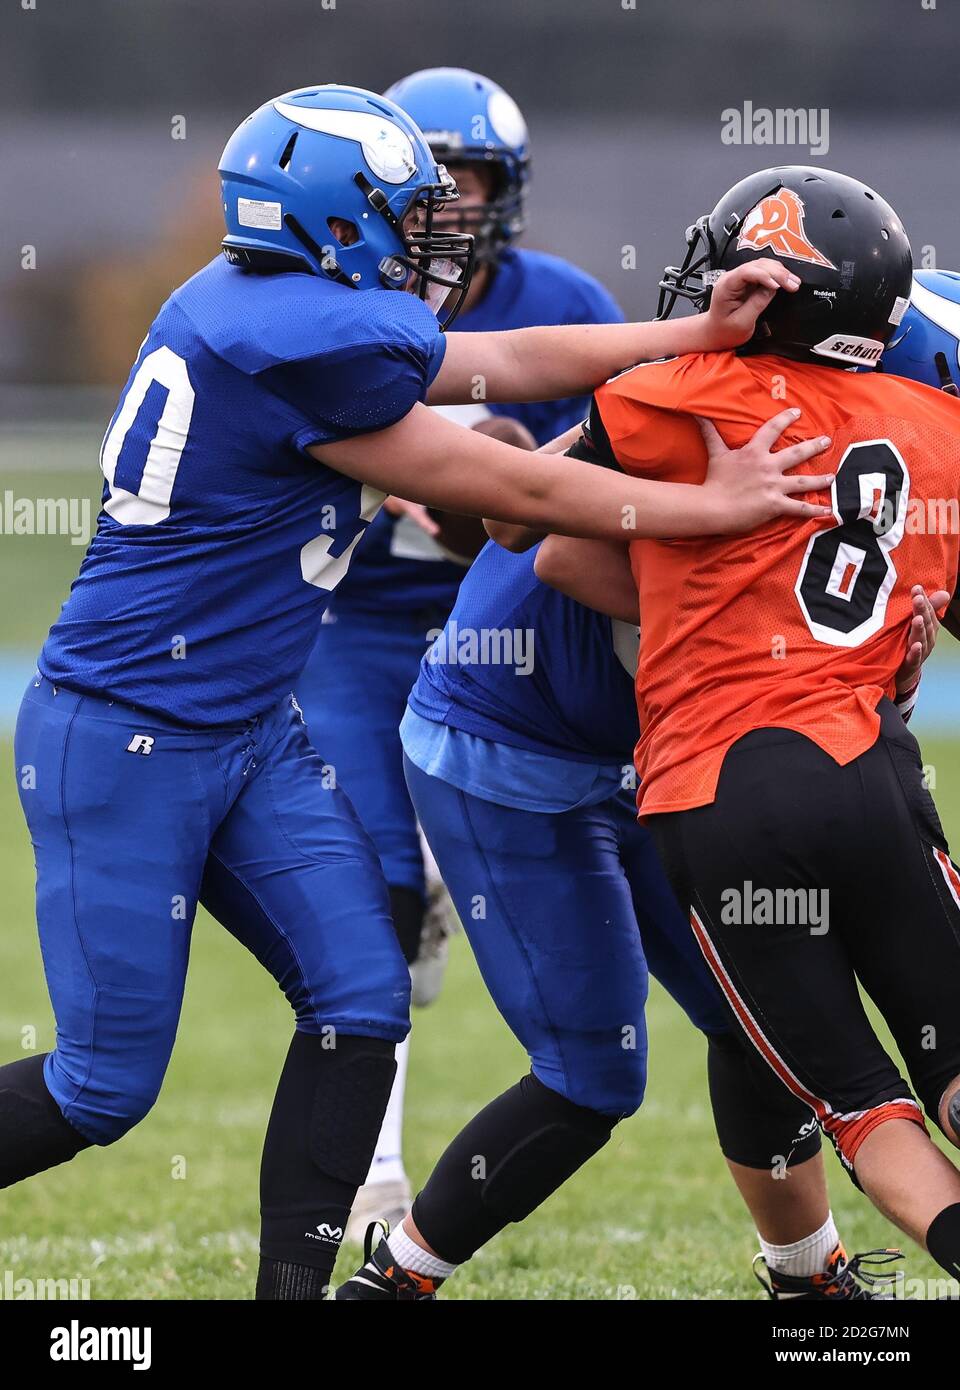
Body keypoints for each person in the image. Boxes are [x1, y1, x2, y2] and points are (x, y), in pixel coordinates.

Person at [1, 90, 828, 1302]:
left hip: (250, 726)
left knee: (358, 999)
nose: (428, 243)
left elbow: (503, 360)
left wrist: (693, 334)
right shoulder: (290, 340)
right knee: (102, 1087)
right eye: (404, 216)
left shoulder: (275, 305)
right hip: (125, 735)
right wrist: (719, 504)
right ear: (332, 220)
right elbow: (508, 486)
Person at [335, 414, 939, 1301]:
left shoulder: (882, 451)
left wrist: (870, 668)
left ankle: (808, 1280)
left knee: (760, 1019)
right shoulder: (688, 406)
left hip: (654, 753)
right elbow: (552, 550)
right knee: (593, 1077)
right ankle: (391, 1283)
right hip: (511, 748)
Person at [535, 167, 960, 1280]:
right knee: (950, 1052)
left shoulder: (683, 393)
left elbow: (519, 522)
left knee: (861, 1103)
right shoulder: (939, 431)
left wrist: (699, 552)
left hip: (714, 796)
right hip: (867, 769)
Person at [294, 67, 623, 1238]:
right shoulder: (329, 296)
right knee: (368, 891)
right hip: (357, 628)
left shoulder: (566, 300)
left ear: (507, 190)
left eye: (466, 180)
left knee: (629, 869)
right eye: (421, 185)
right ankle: (378, 1175)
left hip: (518, 633)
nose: (444, 208)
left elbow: (639, 451)